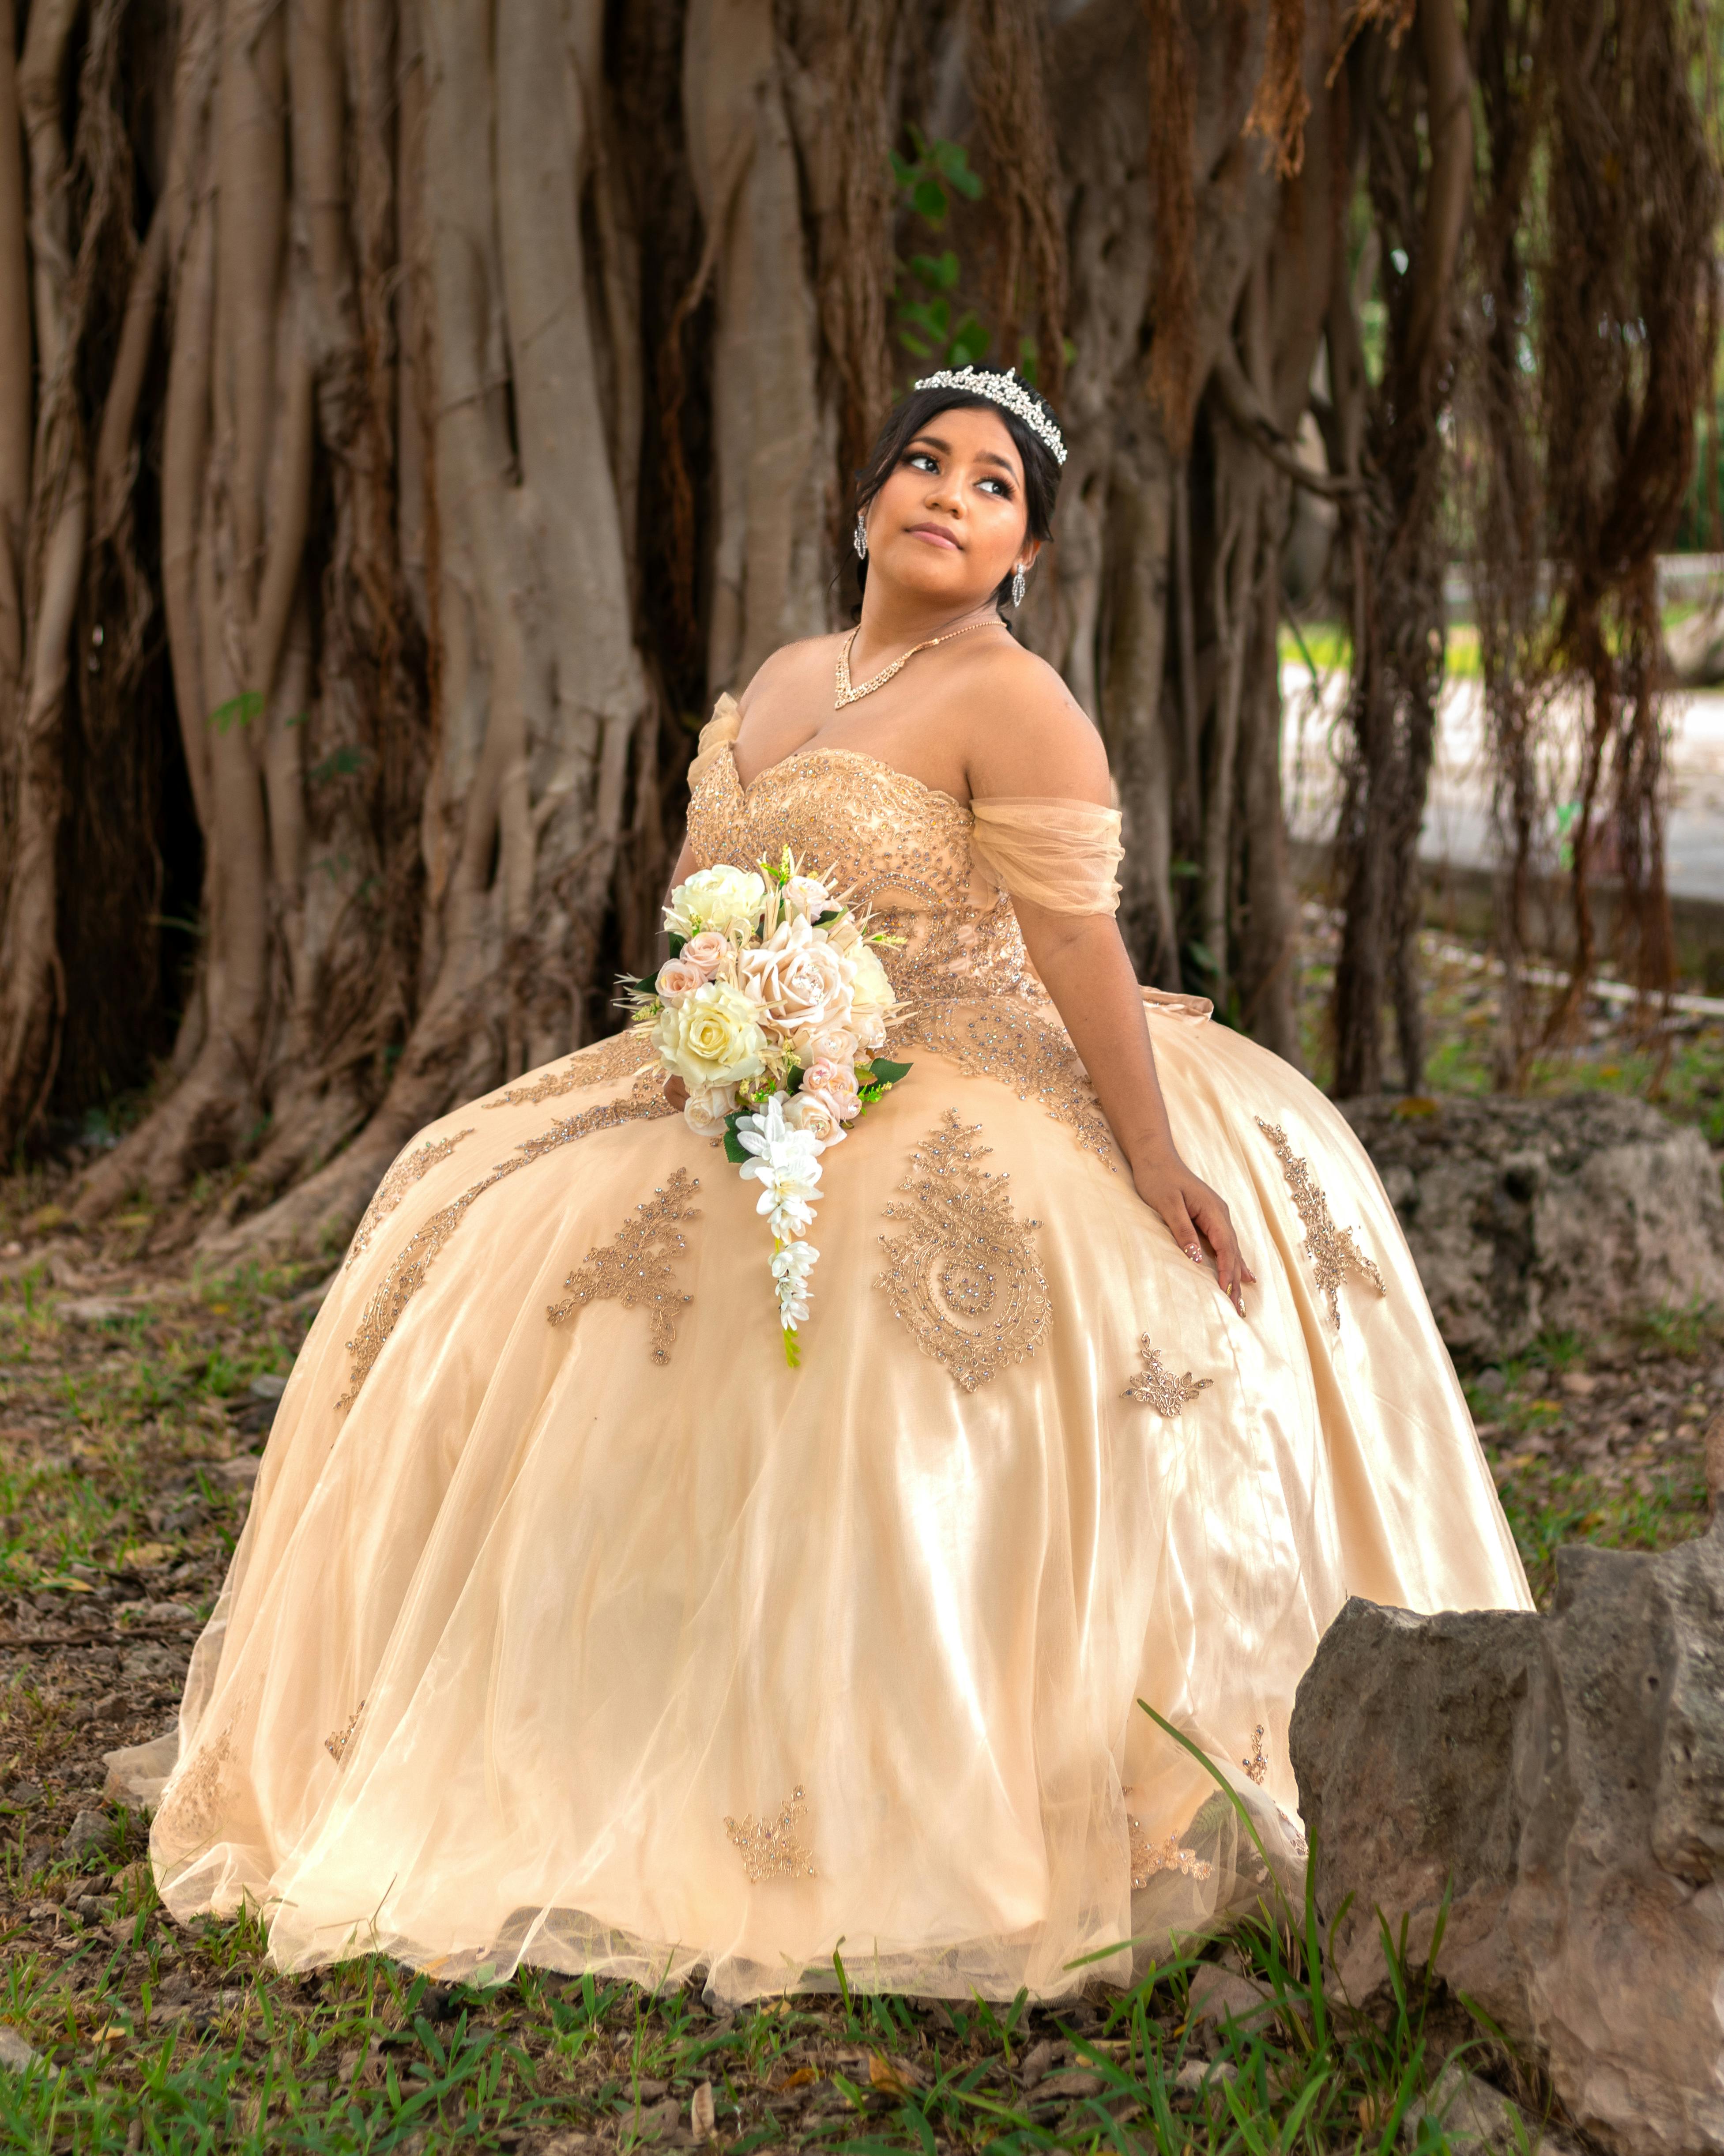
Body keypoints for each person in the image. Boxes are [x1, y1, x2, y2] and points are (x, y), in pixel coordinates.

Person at [119, 363, 1531, 2005]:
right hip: (758, 1060)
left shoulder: (1015, 700)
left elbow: (1076, 944)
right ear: (863, 502)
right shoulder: (787, 677)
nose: (949, 493)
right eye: (922, 463)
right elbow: (702, 899)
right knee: (474, 1201)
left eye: (994, 483)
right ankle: (581, 1702)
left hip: (972, 1057)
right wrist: (741, 1031)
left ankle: (932, 1773)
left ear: (1024, 550)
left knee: (880, 1316)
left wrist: (1154, 1158)